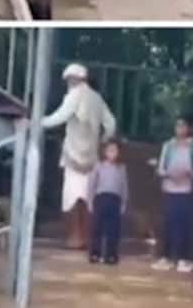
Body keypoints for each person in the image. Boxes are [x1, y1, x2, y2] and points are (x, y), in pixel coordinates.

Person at [40, 63, 118, 249]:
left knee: (72, 198)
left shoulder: (74, 95)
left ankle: (75, 237)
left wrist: (37, 121)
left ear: (73, 79)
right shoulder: (97, 98)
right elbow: (111, 124)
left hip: (73, 155)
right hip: (91, 155)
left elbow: (58, 117)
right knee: (89, 199)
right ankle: (87, 237)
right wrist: (103, 139)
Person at [152, 115, 193, 273]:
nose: (179, 129)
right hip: (170, 188)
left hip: (185, 189)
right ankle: (166, 257)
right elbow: (161, 168)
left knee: (184, 224)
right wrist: (169, 174)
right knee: (168, 222)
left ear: (189, 128)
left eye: (183, 126)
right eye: (177, 126)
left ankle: (183, 258)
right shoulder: (168, 146)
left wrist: (188, 173)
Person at [87, 139, 129, 265]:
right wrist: (90, 201)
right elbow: (92, 184)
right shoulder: (98, 166)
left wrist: (123, 203)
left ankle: (111, 255)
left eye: (115, 151)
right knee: (97, 228)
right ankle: (95, 253)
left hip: (115, 200)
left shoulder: (121, 168)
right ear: (105, 152)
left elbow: (124, 187)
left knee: (113, 229)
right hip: (101, 198)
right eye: (109, 150)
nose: (112, 153)